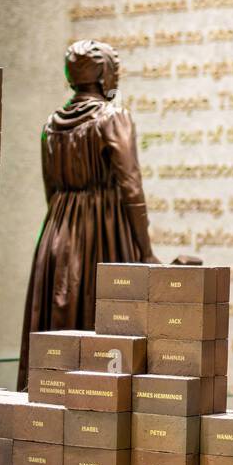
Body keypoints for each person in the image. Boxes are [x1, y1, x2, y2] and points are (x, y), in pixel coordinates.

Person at [18, 39, 158, 388]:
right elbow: (131, 187)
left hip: (57, 234)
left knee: (58, 321)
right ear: (102, 72)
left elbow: (52, 190)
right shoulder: (113, 118)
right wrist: (145, 249)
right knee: (106, 321)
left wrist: (64, 223)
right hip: (105, 228)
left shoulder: (52, 123)